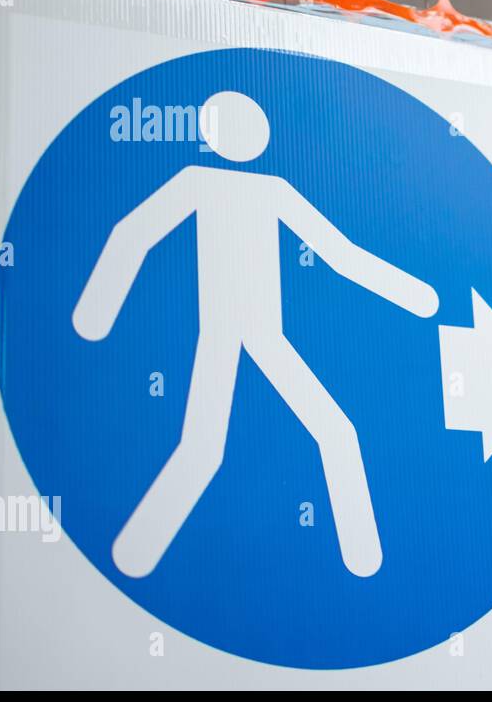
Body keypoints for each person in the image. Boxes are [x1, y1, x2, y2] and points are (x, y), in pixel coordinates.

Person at [73, 91, 438, 579]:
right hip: (225, 331)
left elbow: (339, 254)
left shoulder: (270, 189)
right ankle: (139, 550)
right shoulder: (201, 182)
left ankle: (363, 559)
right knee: (227, 444)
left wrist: (416, 297)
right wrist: (96, 314)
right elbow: (134, 232)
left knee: (318, 432)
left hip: (265, 334)